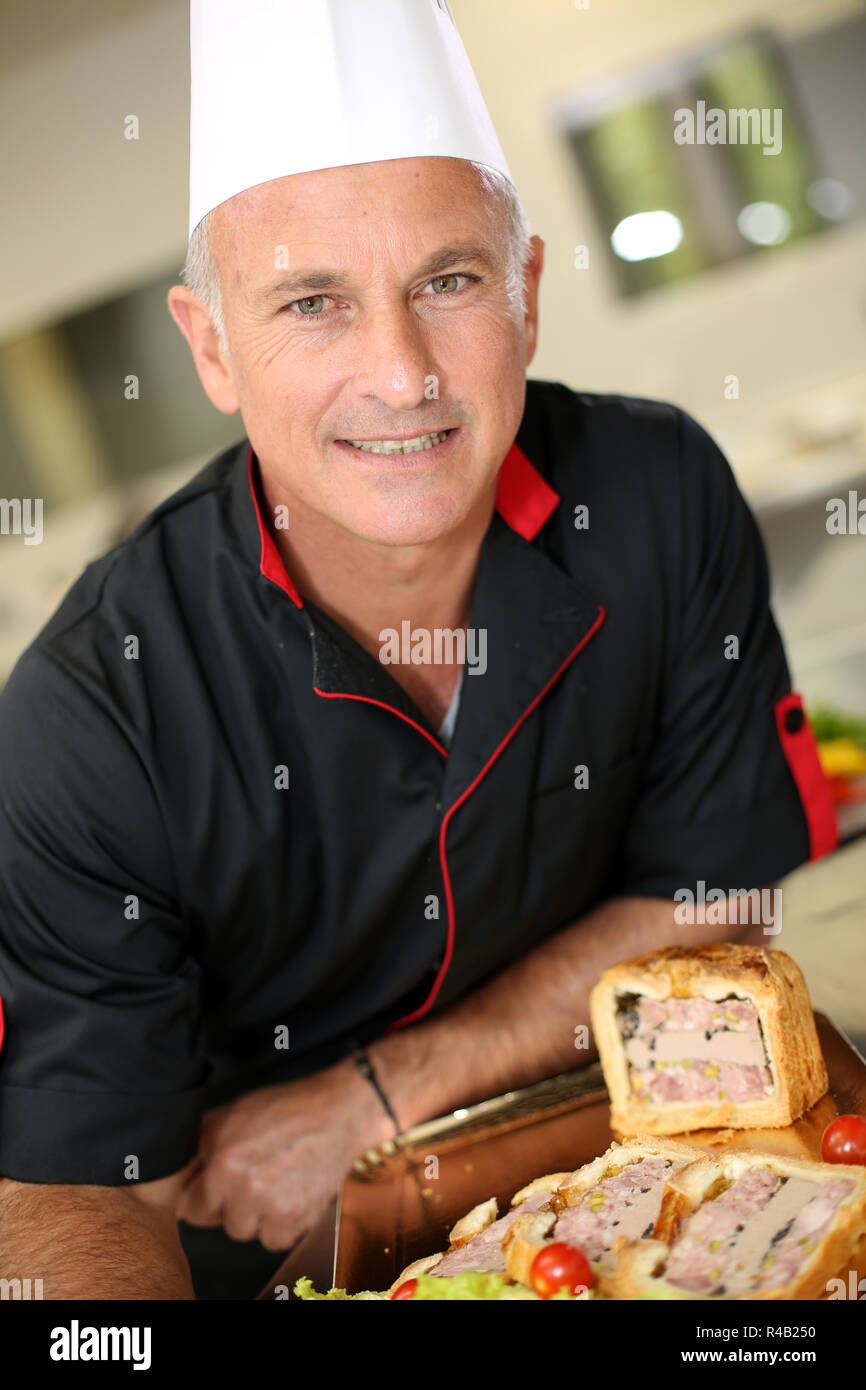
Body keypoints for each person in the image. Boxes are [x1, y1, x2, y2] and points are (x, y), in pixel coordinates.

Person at [0, 0, 836, 1300]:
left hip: (661, 1167)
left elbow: (720, 895)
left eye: (447, 282)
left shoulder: (655, 491)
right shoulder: (91, 712)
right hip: (271, 1259)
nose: (401, 375)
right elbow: (76, 1187)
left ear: (528, 293)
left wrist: (379, 1096)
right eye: (312, 303)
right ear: (211, 346)